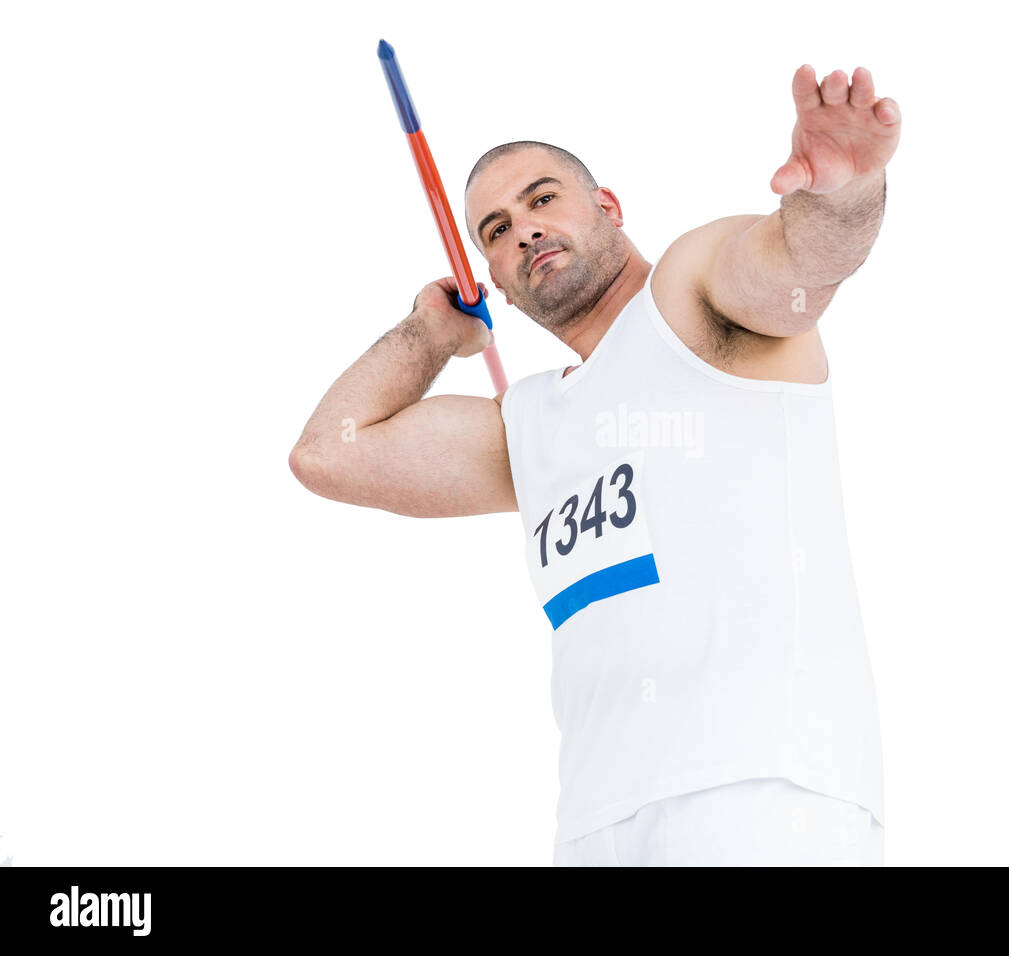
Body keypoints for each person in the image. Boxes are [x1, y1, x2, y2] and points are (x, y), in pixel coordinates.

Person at [289, 64, 901, 866]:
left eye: (542, 200)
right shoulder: (530, 425)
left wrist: (844, 193)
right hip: (597, 823)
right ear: (495, 285)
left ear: (607, 208)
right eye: (495, 231)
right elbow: (329, 453)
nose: (523, 231)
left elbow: (798, 262)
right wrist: (430, 334)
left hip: (760, 794)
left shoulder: (693, 298)